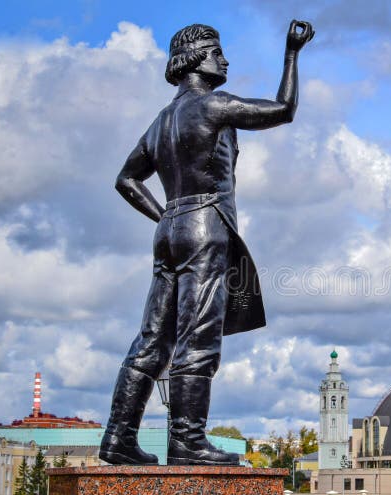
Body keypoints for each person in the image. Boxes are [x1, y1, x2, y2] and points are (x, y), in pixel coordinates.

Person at [99, 20, 314, 466]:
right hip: (205, 226)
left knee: (152, 341)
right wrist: (292, 52)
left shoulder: (160, 123)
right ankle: (187, 441)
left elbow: (126, 180)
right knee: (198, 338)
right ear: (194, 59)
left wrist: (166, 216)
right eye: (216, 52)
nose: (225, 59)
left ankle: (118, 438)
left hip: (169, 231)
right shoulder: (214, 105)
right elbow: (283, 109)